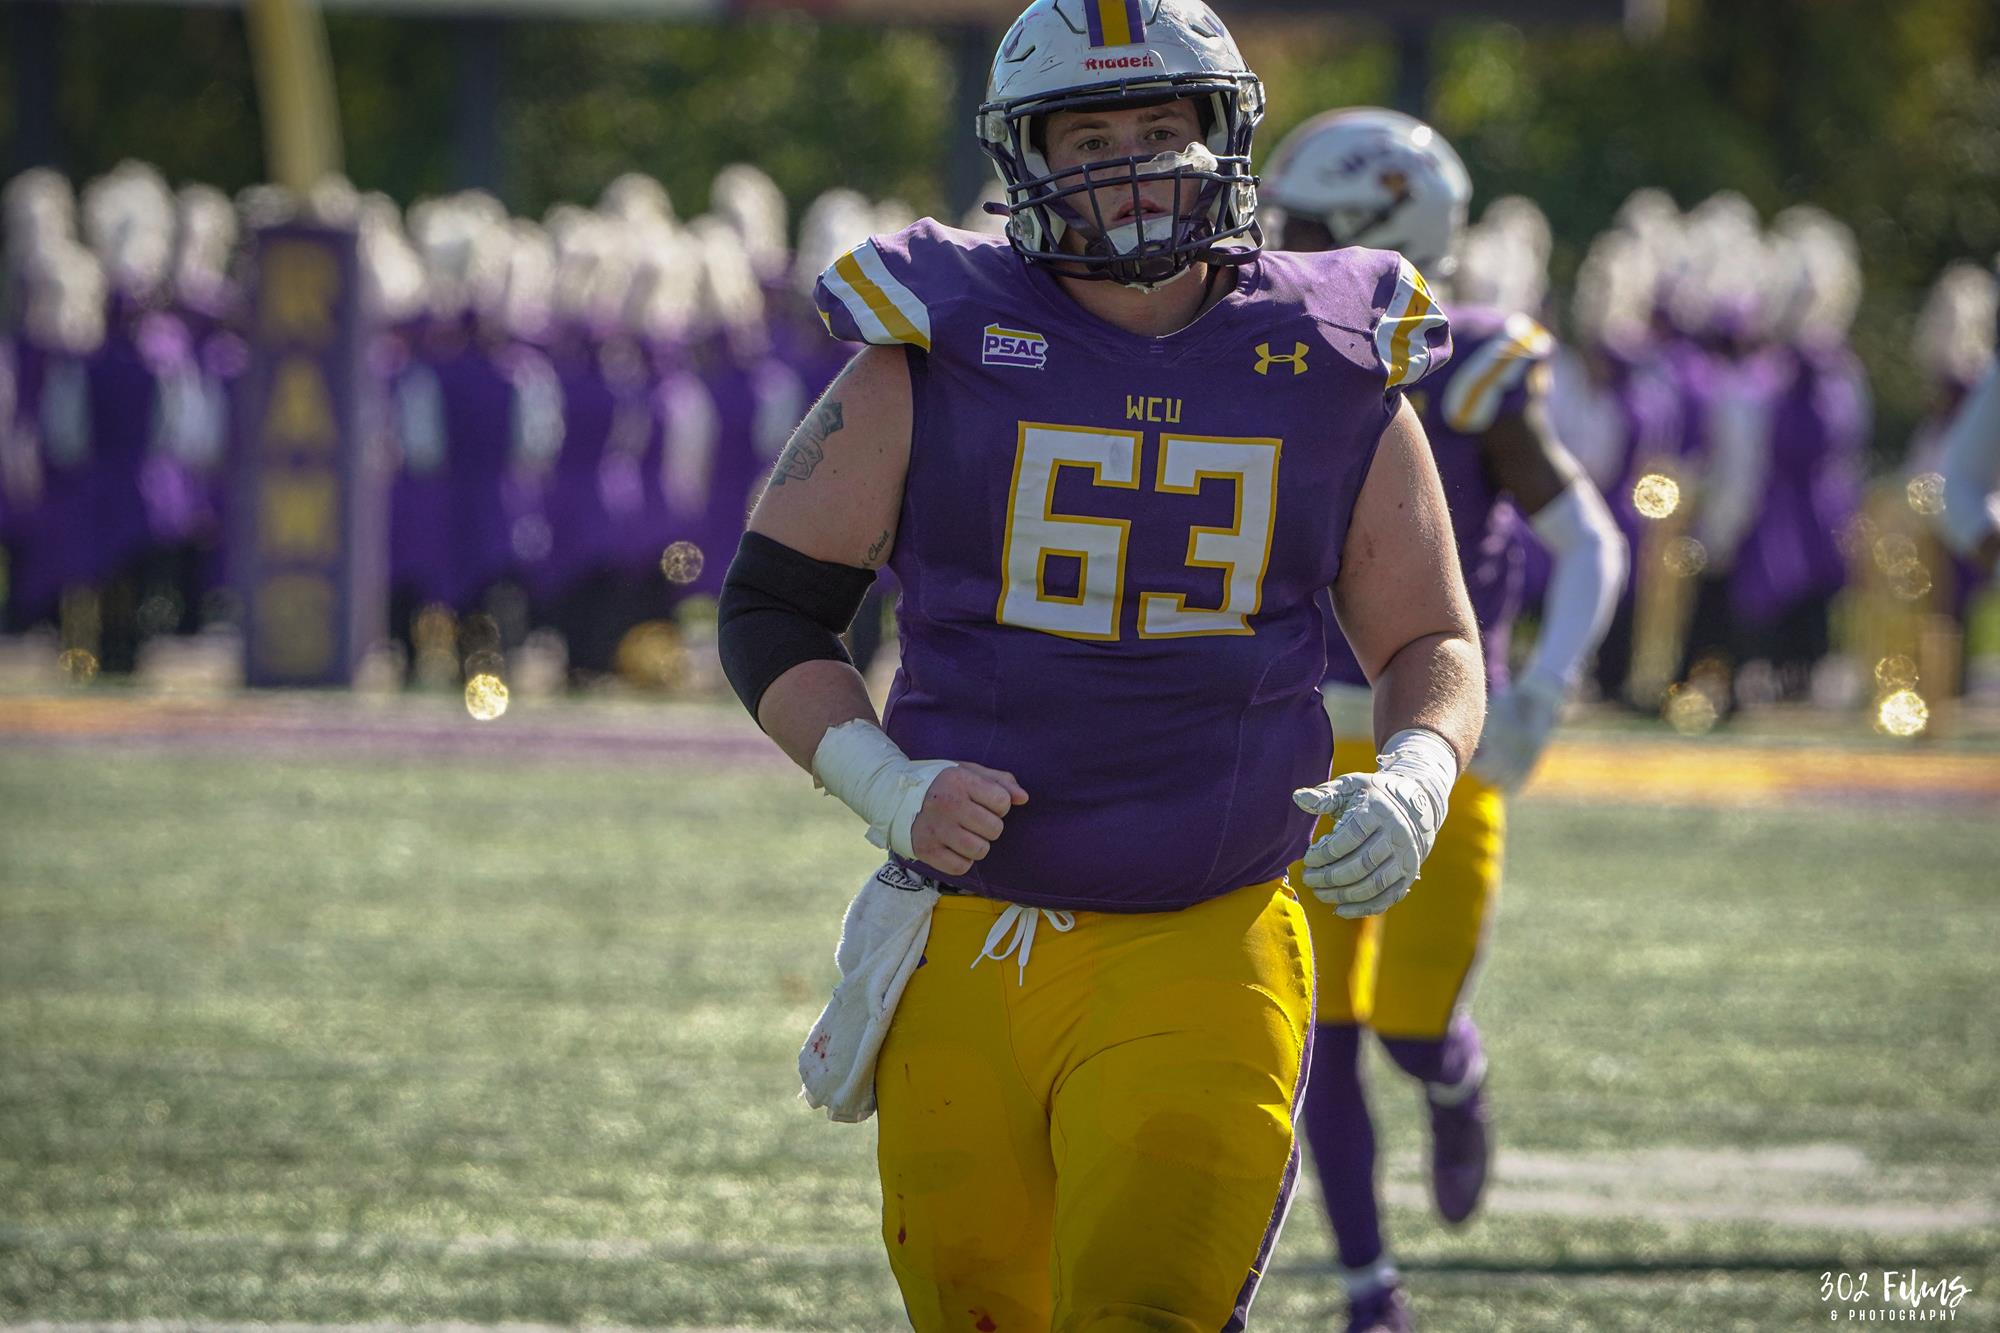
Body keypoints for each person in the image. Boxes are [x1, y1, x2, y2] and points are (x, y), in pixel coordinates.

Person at [716, 3, 1487, 1328]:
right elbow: (773, 609)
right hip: (964, 934)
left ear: (1219, 137)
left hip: (1206, 928)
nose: (1131, 163)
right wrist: (883, 783)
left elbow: (1429, 638)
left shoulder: (1329, 351)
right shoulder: (930, 344)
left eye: (1159, 128)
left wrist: (1417, 774)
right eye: (1091, 135)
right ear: (1029, 156)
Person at [1260, 108, 1627, 1333]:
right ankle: (1369, 1283)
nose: (1279, 243)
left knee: (1410, 1029)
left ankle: (1452, 1076)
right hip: (1303, 730)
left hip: (1435, 729)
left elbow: (1588, 544)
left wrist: (1538, 692)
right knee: (1317, 1029)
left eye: (1305, 226)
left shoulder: (1467, 358)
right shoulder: (1262, 345)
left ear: (1381, 225)